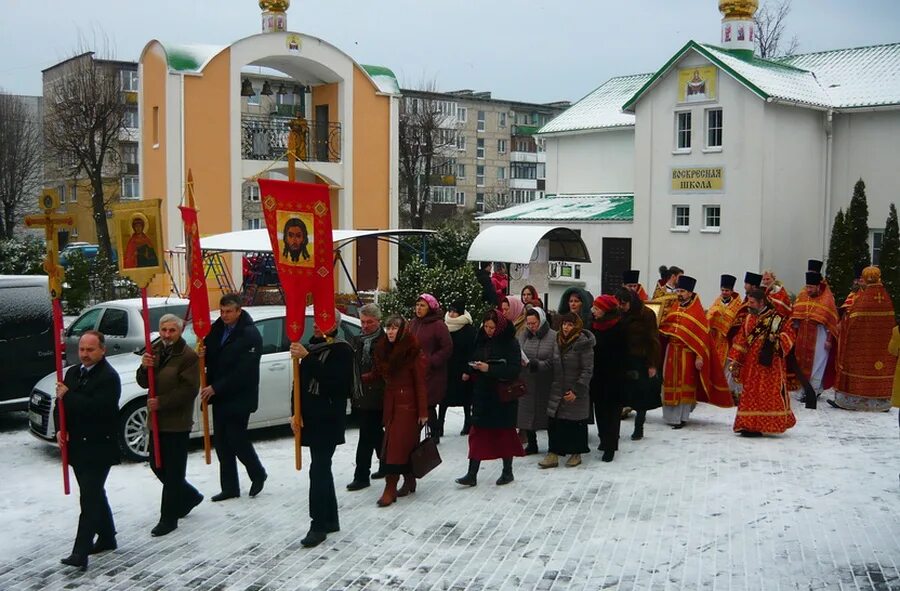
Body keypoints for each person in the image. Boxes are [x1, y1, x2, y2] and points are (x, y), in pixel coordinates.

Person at [56, 331, 121, 571]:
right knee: (92, 492)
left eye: (90, 350)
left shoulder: (108, 377)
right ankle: (107, 537)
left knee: (89, 498)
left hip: (99, 447)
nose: (84, 354)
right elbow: (60, 402)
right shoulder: (73, 373)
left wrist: (69, 396)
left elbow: (98, 409)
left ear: (102, 350)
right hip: (78, 447)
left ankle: (80, 552)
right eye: (82, 349)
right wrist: (60, 428)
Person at [289, 313, 355, 547]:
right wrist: (294, 412)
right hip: (310, 418)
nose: (316, 325)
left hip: (328, 419)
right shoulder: (311, 346)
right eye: (315, 320)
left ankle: (317, 525)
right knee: (321, 469)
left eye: (322, 320)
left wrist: (307, 358)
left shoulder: (342, 350)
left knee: (317, 470)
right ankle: (330, 518)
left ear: (334, 324)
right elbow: (299, 382)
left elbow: (335, 384)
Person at [136, 314, 203, 537]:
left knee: (173, 472)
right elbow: (144, 381)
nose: (167, 335)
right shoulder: (154, 349)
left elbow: (189, 390)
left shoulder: (188, 356)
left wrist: (162, 402)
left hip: (176, 422)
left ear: (180, 330)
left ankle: (168, 518)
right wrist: (145, 368)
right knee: (157, 465)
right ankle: (190, 495)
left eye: (171, 330)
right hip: (156, 422)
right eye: (164, 330)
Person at [201, 294, 267, 502]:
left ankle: (257, 473)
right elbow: (212, 352)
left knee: (236, 438)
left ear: (239, 311)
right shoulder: (217, 328)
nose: (225, 315)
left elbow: (244, 370)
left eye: (229, 311)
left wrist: (216, 387)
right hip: (219, 396)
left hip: (239, 396)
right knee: (221, 443)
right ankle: (229, 487)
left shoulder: (250, 334)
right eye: (222, 311)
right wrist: (201, 350)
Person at [364, 315, 428, 506]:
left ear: (402, 330)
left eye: (394, 328)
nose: (390, 331)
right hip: (391, 405)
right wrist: (358, 379)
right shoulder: (384, 349)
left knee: (394, 448)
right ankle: (409, 479)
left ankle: (390, 487)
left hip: (408, 407)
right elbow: (378, 373)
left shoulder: (412, 351)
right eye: (388, 328)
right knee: (401, 446)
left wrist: (423, 412)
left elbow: (420, 383)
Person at [456, 309, 525, 486]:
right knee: (477, 434)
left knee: (504, 435)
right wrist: (472, 367)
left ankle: (507, 471)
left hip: (502, 396)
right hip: (482, 395)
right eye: (486, 326)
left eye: (492, 327)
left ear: (499, 326)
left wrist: (490, 369)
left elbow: (513, 370)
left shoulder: (510, 342)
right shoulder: (480, 338)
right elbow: (473, 356)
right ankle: (472, 474)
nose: (488, 330)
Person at [658, 275, 733, 428]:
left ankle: (682, 417)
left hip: (687, 355)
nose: (679, 293)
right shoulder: (674, 306)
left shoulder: (697, 312)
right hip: (672, 351)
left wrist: (700, 357)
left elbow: (702, 339)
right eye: (678, 290)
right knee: (669, 382)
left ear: (690, 293)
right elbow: (667, 326)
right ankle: (671, 417)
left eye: (683, 291)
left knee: (685, 384)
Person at [728, 288, 797, 436]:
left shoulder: (777, 318)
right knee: (750, 394)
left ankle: (766, 425)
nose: (749, 305)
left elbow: (790, 335)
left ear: (761, 302)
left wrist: (777, 340)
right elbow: (741, 340)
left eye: (752, 302)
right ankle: (747, 425)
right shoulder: (748, 319)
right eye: (748, 302)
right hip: (752, 365)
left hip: (771, 365)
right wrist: (735, 361)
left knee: (769, 395)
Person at [831, 266, 896, 411]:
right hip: (881, 345)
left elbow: (853, 320)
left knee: (859, 368)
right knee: (878, 369)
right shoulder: (885, 298)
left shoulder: (865, 298)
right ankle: (881, 403)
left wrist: (845, 323)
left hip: (861, 345)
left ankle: (852, 401)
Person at [540, 312, 594, 468]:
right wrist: (536, 365)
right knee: (555, 422)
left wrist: (577, 390)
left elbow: (587, 370)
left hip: (575, 390)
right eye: (564, 324)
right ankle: (553, 454)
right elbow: (552, 362)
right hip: (558, 389)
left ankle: (576, 453)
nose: (566, 327)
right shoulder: (557, 340)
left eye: (570, 324)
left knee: (575, 423)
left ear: (576, 326)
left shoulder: (583, 343)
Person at [346, 303, 386, 491]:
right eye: (362, 322)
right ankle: (388, 465)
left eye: (369, 322)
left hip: (378, 396)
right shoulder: (357, 340)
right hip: (361, 395)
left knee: (366, 436)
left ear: (378, 321)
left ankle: (361, 475)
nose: (365, 326)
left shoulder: (384, 341)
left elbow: (384, 370)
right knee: (376, 434)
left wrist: (367, 377)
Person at [615, 287, 661, 441]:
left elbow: (653, 340)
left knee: (641, 396)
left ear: (631, 301)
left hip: (641, 359)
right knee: (621, 395)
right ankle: (615, 429)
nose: (621, 307)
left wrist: (652, 364)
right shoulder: (619, 314)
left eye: (624, 304)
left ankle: (638, 428)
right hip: (623, 359)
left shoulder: (646, 314)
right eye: (619, 304)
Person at [409, 293, 453, 442]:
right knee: (419, 402)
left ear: (430, 308)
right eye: (417, 305)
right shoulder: (413, 323)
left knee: (428, 403)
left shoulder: (438, 325)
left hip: (432, 373)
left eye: (422, 305)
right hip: (415, 370)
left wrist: (431, 361)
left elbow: (447, 347)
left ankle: (434, 433)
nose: (418, 308)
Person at [589, 295, 627, 462]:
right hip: (596, 376)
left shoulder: (619, 327)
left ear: (605, 310)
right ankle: (604, 439)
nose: (593, 311)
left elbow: (625, 353)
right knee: (600, 410)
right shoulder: (593, 326)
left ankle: (611, 445)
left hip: (614, 376)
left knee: (612, 412)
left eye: (597, 309)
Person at [789, 271, 839, 398]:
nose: (808, 290)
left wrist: (829, 340)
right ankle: (804, 389)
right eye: (807, 287)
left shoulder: (827, 299)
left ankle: (814, 391)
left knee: (817, 363)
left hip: (820, 337)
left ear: (818, 286)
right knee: (801, 363)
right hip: (802, 336)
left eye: (811, 287)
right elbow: (795, 316)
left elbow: (831, 322)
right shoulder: (803, 296)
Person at [517, 307, 556, 454]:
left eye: (534, 323)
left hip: (545, 381)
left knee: (547, 415)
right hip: (527, 379)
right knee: (527, 414)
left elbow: (552, 360)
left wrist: (533, 364)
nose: (531, 326)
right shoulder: (524, 335)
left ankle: (553, 446)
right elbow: (518, 350)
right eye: (529, 323)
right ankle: (532, 444)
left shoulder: (552, 336)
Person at [442, 299, 476, 436]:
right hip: (448, 368)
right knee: (444, 399)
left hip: (462, 368)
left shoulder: (469, 329)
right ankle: (439, 425)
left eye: (455, 311)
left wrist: (468, 370)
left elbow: (472, 350)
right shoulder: (444, 326)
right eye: (450, 310)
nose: (451, 314)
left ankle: (468, 423)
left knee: (466, 399)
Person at [707, 274, 742, 368]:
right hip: (715, 338)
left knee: (724, 367)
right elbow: (709, 317)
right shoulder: (716, 302)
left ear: (731, 291)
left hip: (727, 340)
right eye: (722, 290)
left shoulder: (737, 306)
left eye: (727, 290)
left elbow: (736, 322)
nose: (724, 292)